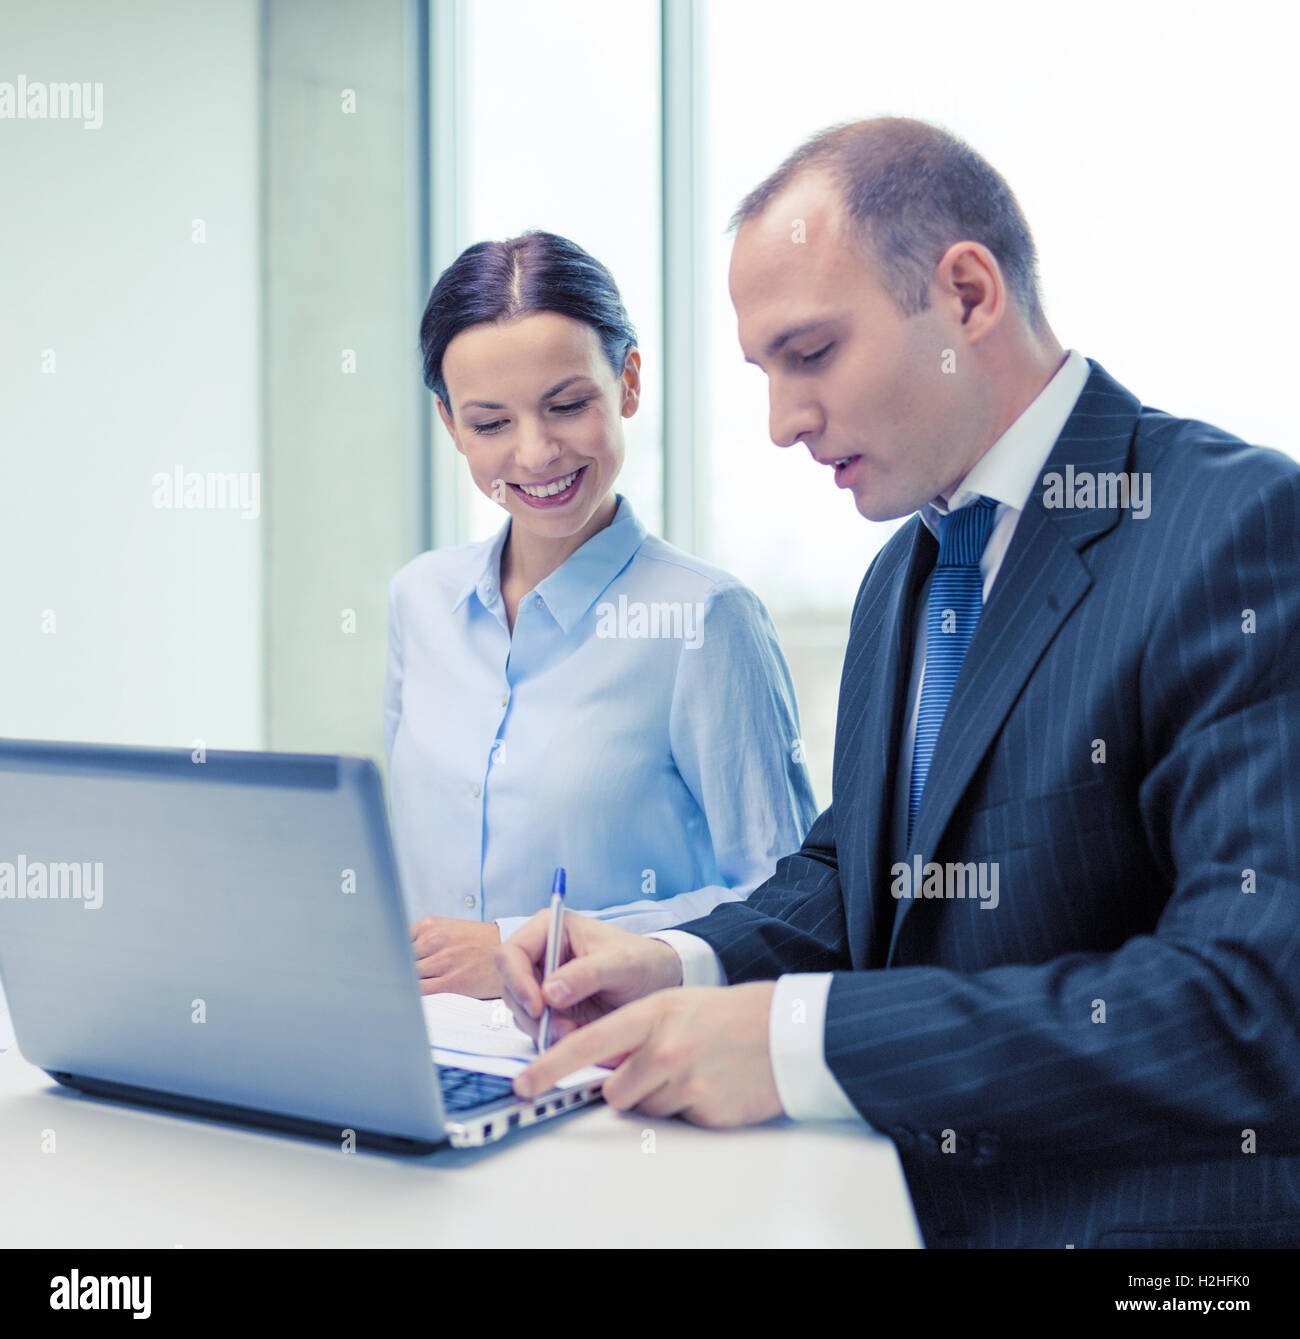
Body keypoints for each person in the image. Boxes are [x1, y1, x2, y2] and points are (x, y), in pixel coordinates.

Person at [497, 118, 1300, 1248]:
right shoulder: (903, 575)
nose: (782, 423)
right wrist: (685, 961)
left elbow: (1251, 1007)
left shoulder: (1233, 528)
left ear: (966, 295)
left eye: (811, 354)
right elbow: (863, 871)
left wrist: (795, 1041)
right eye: (764, 373)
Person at [385, 230, 818, 999]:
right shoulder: (420, 601)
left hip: (614, 1063)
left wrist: (525, 949)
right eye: (490, 424)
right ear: (449, 425)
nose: (537, 452)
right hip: (420, 1054)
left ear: (627, 382)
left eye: (567, 405)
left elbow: (791, 905)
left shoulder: (707, 620)